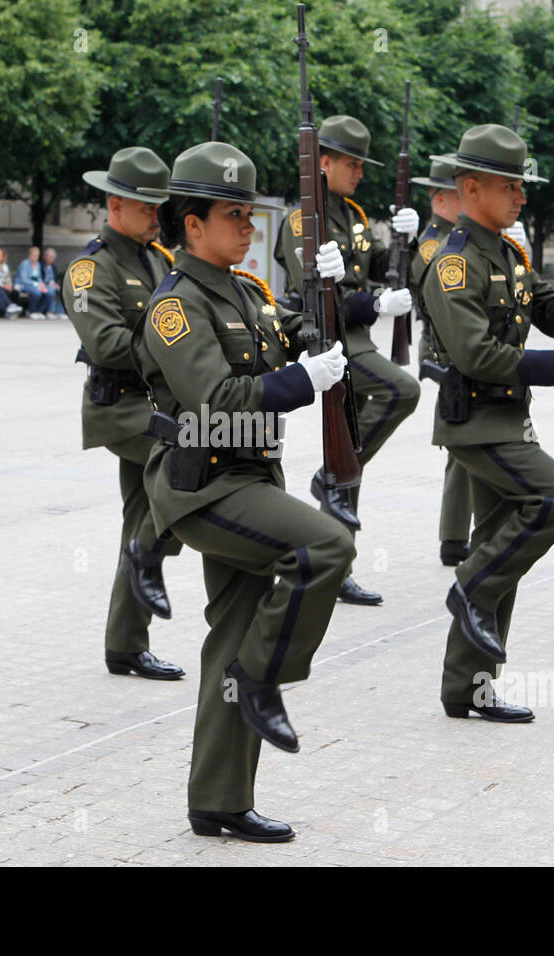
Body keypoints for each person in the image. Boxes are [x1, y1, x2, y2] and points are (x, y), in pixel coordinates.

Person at [139, 141, 354, 842]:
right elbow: (215, 398)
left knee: (232, 631)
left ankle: (219, 800)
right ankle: (268, 677)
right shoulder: (175, 306)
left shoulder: (248, 291)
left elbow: (303, 334)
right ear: (191, 223)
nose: (248, 227)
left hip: (251, 476)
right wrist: (301, 383)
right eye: (234, 214)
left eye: (250, 214)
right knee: (325, 546)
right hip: (204, 486)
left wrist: (331, 293)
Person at [419, 125, 554, 723]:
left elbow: (547, 309)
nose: (521, 196)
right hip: (477, 423)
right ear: (471, 188)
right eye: (509, 186)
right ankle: (469, 585)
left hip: (507, 419)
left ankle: (467, 688)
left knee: (503, 545)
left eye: (522, 186)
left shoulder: (507, 252)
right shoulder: (453, 265)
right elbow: (474, 355)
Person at [273, 114, 421, 606]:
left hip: (357, 339)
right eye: (351, 164)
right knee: (402, 390)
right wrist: (374, 304)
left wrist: (407, 240)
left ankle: (338, 565)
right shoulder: (301, 220)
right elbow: (312, 290)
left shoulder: (354, 216)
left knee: (347, 443)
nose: (359, 173)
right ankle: (328, 479)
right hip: (326, 340)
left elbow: (382, 265)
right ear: (324, 162)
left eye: (362, 165)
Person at [63, 146, 185, 681]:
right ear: (114, 204)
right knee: (192, 460)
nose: (156, 215)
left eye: (159, 206)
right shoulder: (90, 269)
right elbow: (108, 342)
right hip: (122, 407)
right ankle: (146, 561)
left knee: (142, 517)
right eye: (145, 206)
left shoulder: (158, 258)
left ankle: (125, 646)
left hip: (155, 402)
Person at [409, 158, 472, 568]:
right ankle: (453, 538)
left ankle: (455, 536)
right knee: (462, 440)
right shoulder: (435, 245)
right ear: (439, 198)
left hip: (460, 346)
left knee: (463, 446)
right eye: (459, 194)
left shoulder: (459, 237)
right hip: (446, 350)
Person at [16, 245, 53, 319]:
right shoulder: (24, 264)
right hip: (25, 285)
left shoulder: (38, 264)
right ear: (29, 255)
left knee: (49, 291)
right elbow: (23, 279)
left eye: (37, 256)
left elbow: (39, 278)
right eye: (34, 255)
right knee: (37, 292)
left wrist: (42, 284)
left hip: (35, 285)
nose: (35, 257)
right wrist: (36, 284)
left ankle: (39, 311)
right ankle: (31, 311)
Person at [41, 247, 65, 316]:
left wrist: (57, 284)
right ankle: (50, 311)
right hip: (45, 285)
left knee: (63, 291)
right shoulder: (41, 265)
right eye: (50, 257)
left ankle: (60, 311)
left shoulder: (53, 267)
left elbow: (56, 278)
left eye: (53, 257)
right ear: (45, 257)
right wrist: (48, 284)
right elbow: (40, 278)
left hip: (53, 285)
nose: (52, 259)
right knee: (51, 291)